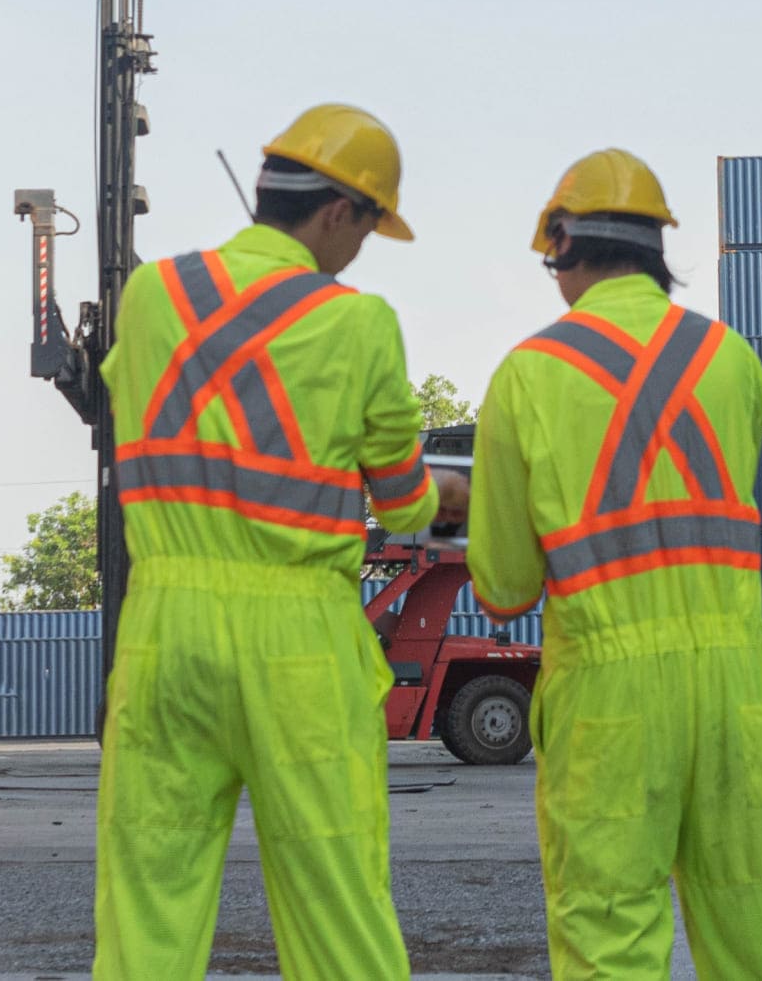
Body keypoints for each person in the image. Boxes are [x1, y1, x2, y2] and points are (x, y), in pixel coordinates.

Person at [92, 103, 466, 980]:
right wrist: (443, 493)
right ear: (341, 212)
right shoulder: (357, 323)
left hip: (165, 630)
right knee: (337, 905)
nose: (362, 252)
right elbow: (403, 500)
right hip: (299, 641)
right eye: (369, 229)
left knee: (147, 901)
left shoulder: (151, 296)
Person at [466, 149, 762, 979]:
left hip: (610, 706)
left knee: (610, 944)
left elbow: (505, 586)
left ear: (561, 244)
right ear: (656, 246)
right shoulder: (733, 360)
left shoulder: (526, 376)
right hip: (738, 696)